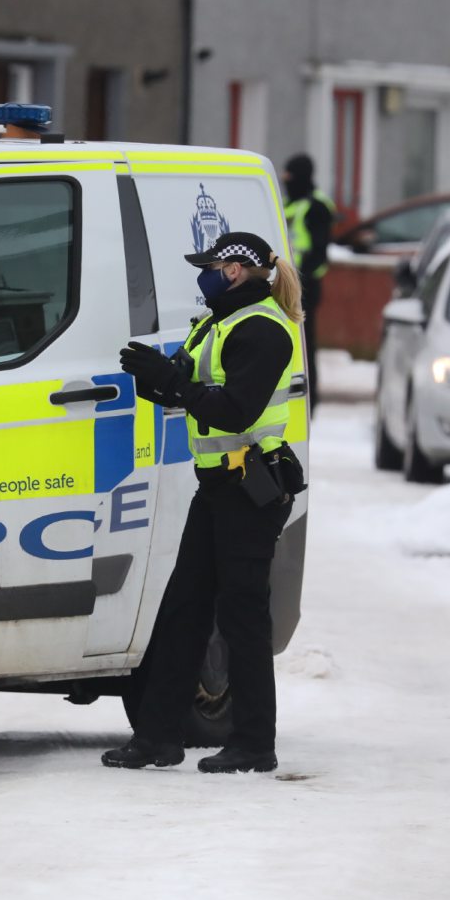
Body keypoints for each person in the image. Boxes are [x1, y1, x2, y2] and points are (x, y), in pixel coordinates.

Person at [105, 230, 307, 773]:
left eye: (211, 266)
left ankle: (254, 745)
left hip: (250, 489)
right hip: (218, 486)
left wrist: (172, 383)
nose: (204, 275)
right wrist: (160, 378)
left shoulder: (263, 330)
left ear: (236, 271)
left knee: (242, 619)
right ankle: (157, 738)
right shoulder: (218, 324)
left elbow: (235, 409)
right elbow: (192, 387)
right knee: (183, 612)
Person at [282, 154, 336, 410]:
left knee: (304, 345)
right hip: (283, 284)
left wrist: (300, 279)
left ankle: (308, 402)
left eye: (290, 176)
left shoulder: (317, 206)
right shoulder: (288, 203)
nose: (286, 181)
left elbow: (319, 252)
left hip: (304, 287)